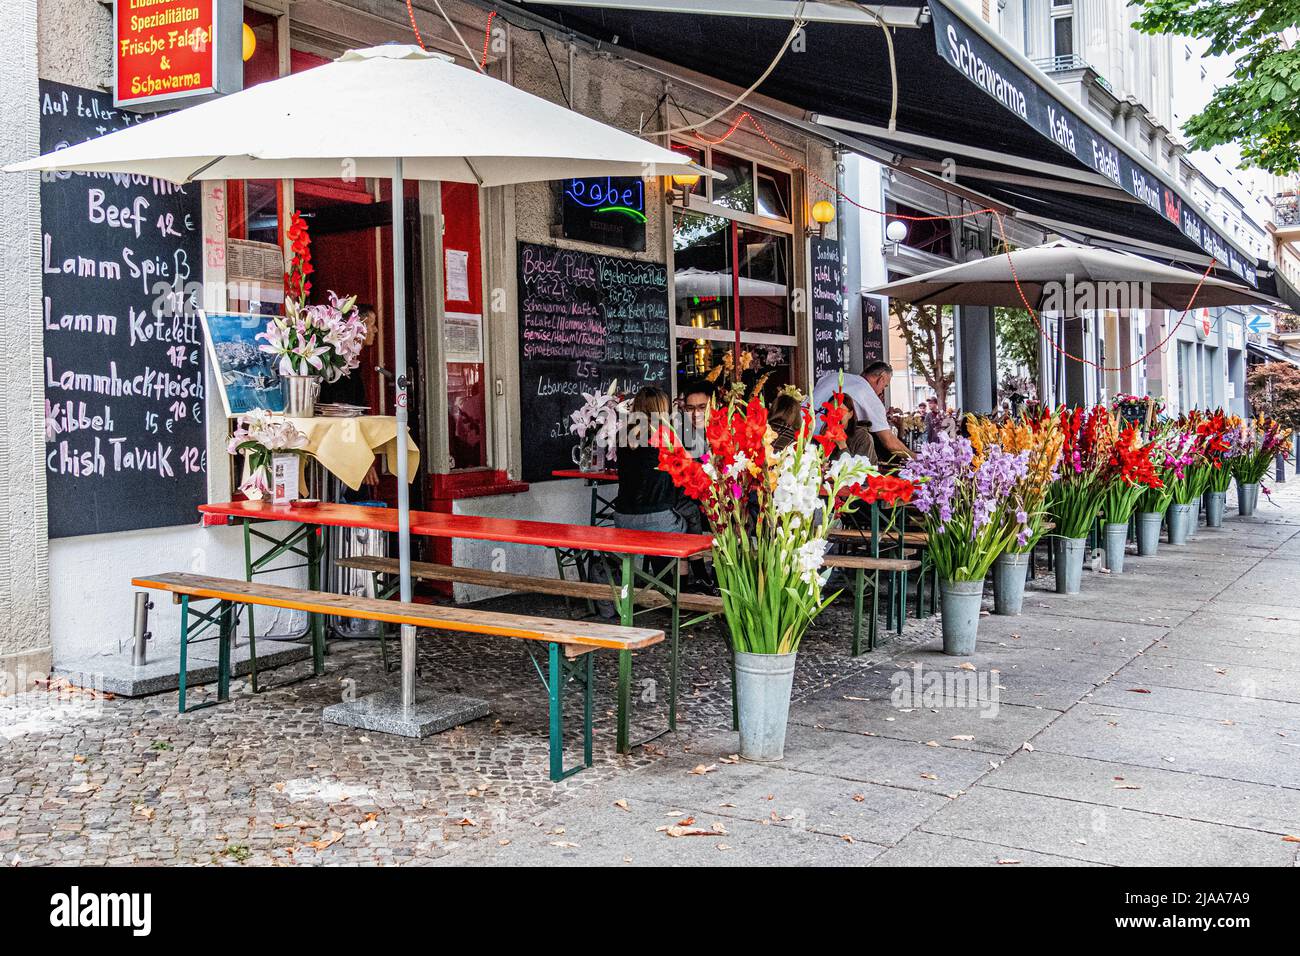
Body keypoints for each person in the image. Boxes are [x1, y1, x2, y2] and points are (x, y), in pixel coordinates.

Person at [812, 363, 914, 463]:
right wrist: (916, 457)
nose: (881, 392)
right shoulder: (868, 395)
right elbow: (890, 443)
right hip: (821, 444)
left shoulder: (832, 377)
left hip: (804, 439)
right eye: (884, 386)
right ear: (881, 379)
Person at [317, 303, 378, 409]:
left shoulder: (351, 361)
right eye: (372, 325)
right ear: (358, 326)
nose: (375, 330)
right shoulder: (338, 363)